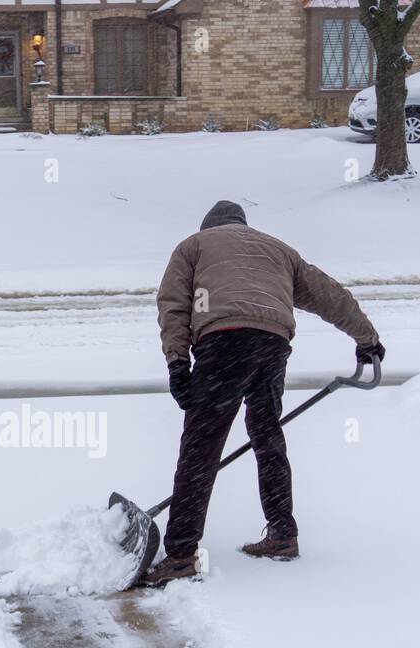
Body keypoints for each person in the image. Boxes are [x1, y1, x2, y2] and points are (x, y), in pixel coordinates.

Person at [140, 200, 384, 588]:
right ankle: (283, 535)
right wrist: (367, 339)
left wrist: (176, 364)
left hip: (222, 342)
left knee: (201, 448)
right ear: (243, 225)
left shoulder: (193, 246)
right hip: (271, 346)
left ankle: (182, 554)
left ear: (209, 226)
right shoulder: (279, 249)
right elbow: (330, 294)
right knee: (267, 436)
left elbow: (173, 307)